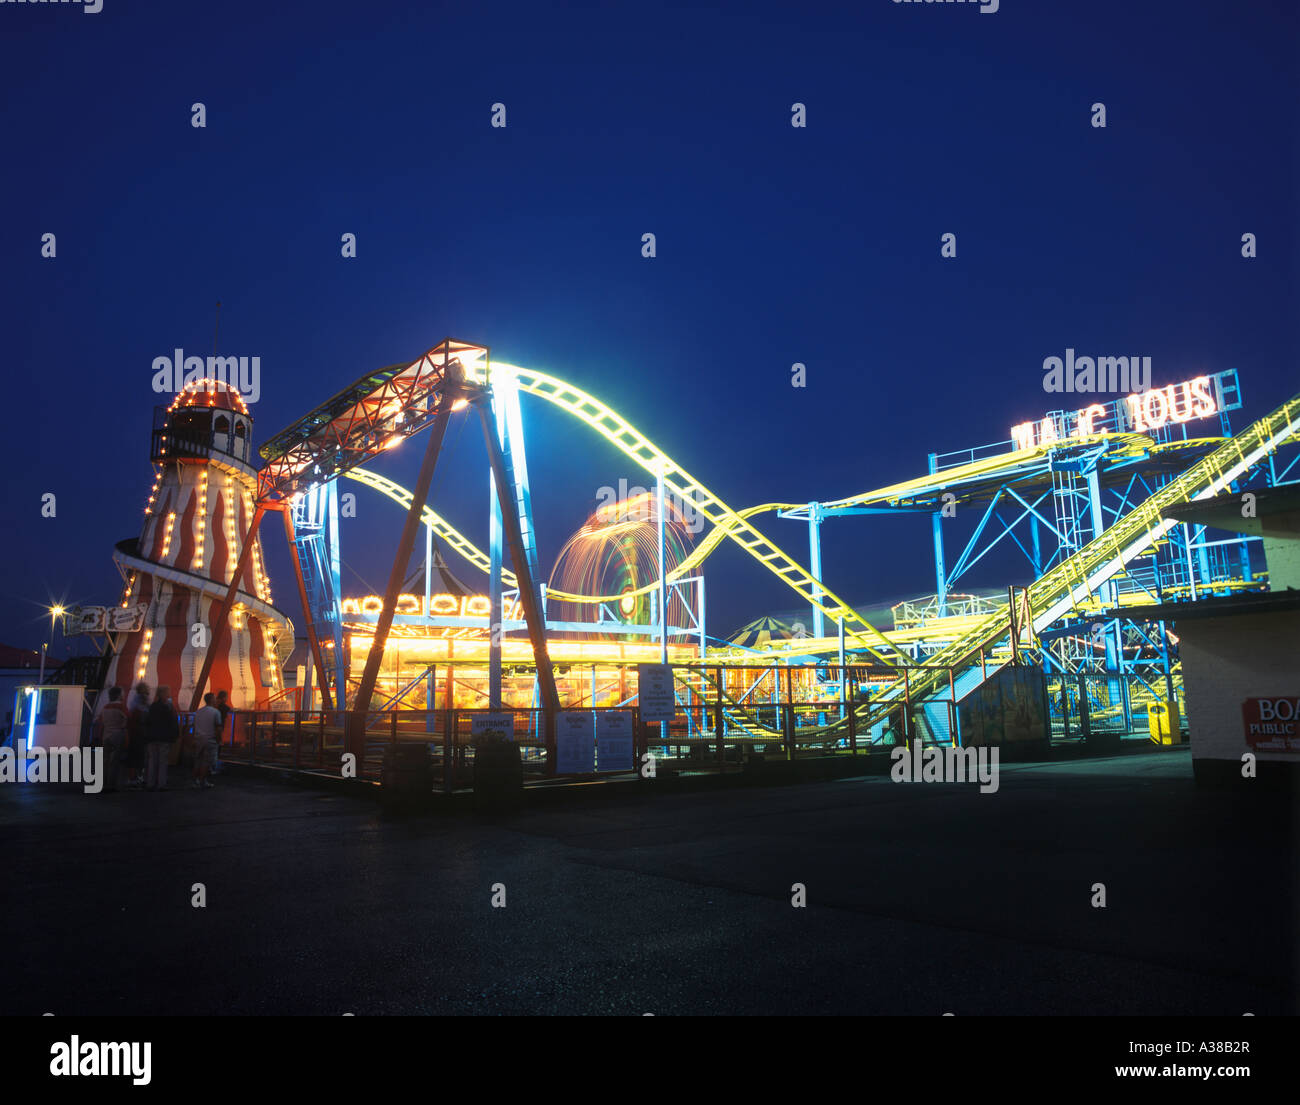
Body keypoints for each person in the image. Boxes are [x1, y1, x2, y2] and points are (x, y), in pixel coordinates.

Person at [145, 685, 180, 791]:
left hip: (152, 737)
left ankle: (150, 783)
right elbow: (173, 721)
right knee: (162, 761)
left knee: (152, 761)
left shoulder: (153, 706)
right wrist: (175, 735)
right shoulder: (168, 707)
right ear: (164, 694)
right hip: (164, 737)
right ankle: (161, 784)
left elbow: (148, 721)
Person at [95, 687, 129, 793]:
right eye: (122, 693)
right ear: (118, 695)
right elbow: (128, 720)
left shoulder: (105, 707)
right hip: (118, 735)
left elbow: (100, 722)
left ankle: (103, 783)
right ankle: (111, 784)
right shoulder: (122, 707)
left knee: (105, 760)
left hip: (106, 735)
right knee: (114, 761)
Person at [191, 693, 221, 789]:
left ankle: (195, 780)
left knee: (198, 760)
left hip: (198, 738)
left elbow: (194, 726)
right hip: (210, 739)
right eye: (215, 699)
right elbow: (218, 727)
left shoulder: (199, 712)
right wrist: (218, 739)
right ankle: (202, 781)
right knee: (206, 761)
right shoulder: (216, 712)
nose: (216, 700)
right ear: (212, 700)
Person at [125, 683, 151, 788]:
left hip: (136, 734)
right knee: (139, 756)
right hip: (140, 734)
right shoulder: (142, 708)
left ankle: (134, 777)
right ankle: (137, 776)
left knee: (135, 756)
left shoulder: (134, 705)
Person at [214, 690, 231, 775]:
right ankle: (214, 766)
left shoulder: (214, 705)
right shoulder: (222, 707)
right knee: (217, 745)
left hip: (211, 729)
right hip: (218, 728)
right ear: (224, 697)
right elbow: (227, 709)